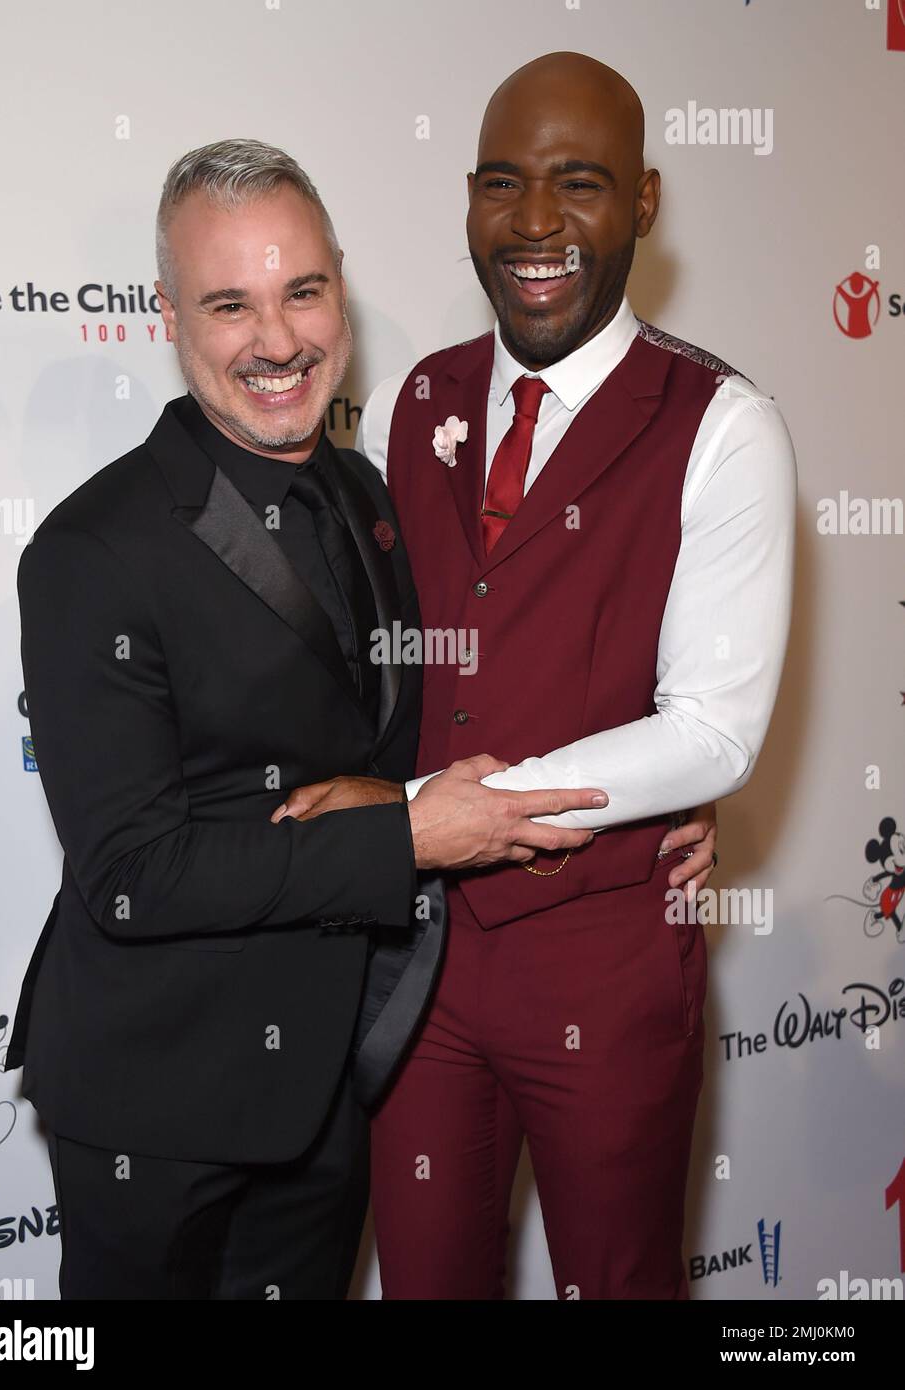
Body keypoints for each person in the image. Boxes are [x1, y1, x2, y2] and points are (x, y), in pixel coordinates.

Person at [3, 139, 605, 1300]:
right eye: (230, 304)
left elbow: (465, 699)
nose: (278, 342)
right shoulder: (91, 552)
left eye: (302, 292)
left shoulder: (367, 492)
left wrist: (656, 794)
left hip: (328, 1083)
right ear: (167, 316)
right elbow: (133, 870)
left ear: (341, 284)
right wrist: (409, 838)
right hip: (158, 1102)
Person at [283, 52, 796, 1299]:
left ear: (644, 203)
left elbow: (712, 731)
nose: (533, 221)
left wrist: (457, 811)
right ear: (466, 197)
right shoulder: (419, 397)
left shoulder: (721, 423)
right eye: (502, 182)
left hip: (604, 957)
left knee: (616, 1282)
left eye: (578, 183)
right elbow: (398, 662)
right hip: (414, 959)